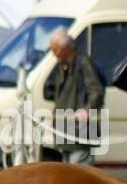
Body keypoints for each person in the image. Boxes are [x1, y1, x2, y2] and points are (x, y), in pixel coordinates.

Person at [41, 30, 104, 165]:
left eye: (56, 50)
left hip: (80, 134)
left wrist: (87, 110)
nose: (54, 54)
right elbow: (62, 97)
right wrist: (53, 118)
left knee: (79, 178)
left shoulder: (84, 63)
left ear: (65, 48)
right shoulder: (63, 67)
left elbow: (96, 91)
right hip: (65, 135)